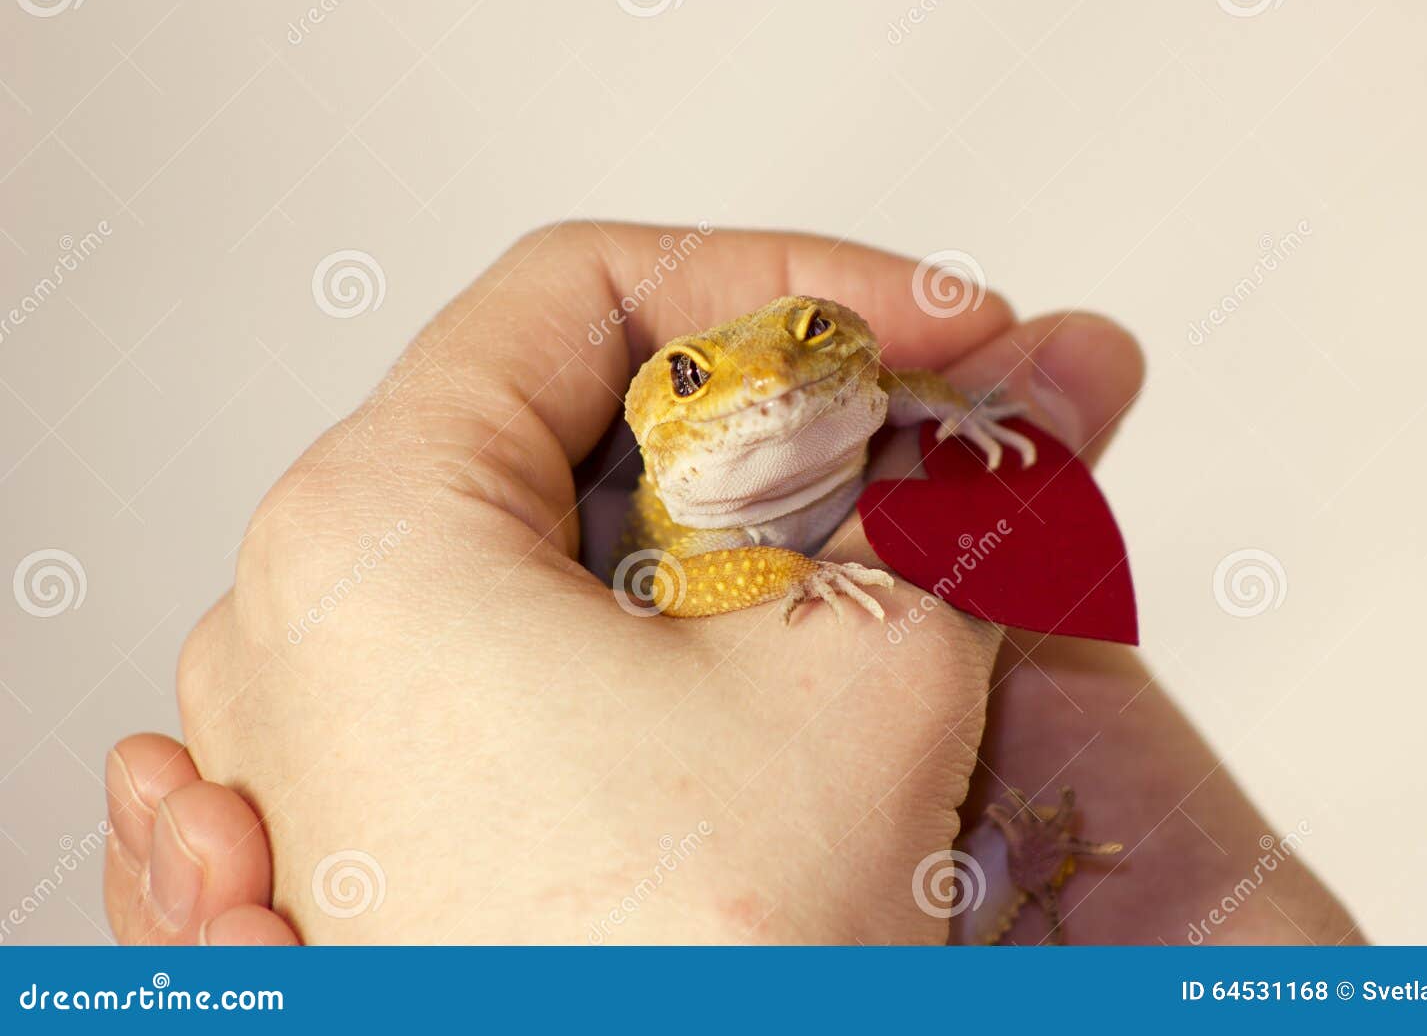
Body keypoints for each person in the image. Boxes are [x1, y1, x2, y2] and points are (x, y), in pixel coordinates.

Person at [101, 222, 1360, 945]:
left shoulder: (855, 386)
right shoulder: (673, 532)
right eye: (701, 377)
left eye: (809, 336)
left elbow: (880, 390)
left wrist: (960, 413)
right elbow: (682, 589)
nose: (771, 375)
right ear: (653, 417)